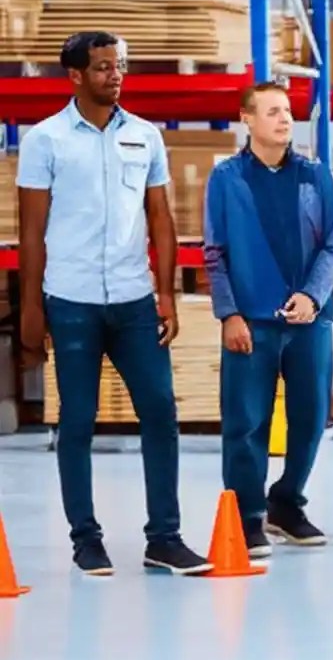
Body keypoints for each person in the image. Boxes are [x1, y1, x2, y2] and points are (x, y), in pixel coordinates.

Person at [16, 31, 212, 576]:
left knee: (161, 411)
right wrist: (31, 308)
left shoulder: (146, 137)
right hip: (72, 301)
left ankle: (164, 538)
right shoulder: (45, 140)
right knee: (77, 420)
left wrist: (166, 293)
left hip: (133, 301)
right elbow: (31, 231)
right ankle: (86, 539)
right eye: (103, 67)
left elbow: (161, 218)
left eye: (120, 65)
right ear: (75, 75)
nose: (115, 75)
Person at [202, 82, 333, 558]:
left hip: (309, 322)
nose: (285, 119)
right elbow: (214, 252)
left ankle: (286, 502)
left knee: (311, 418)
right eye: (272, 112)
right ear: (247, 118)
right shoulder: (226, 179)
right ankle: (246, 516)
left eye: (287, 111)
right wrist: (229, 314)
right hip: (251, 322)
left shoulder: (314, 175)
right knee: (246, 423)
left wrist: (313, 296)